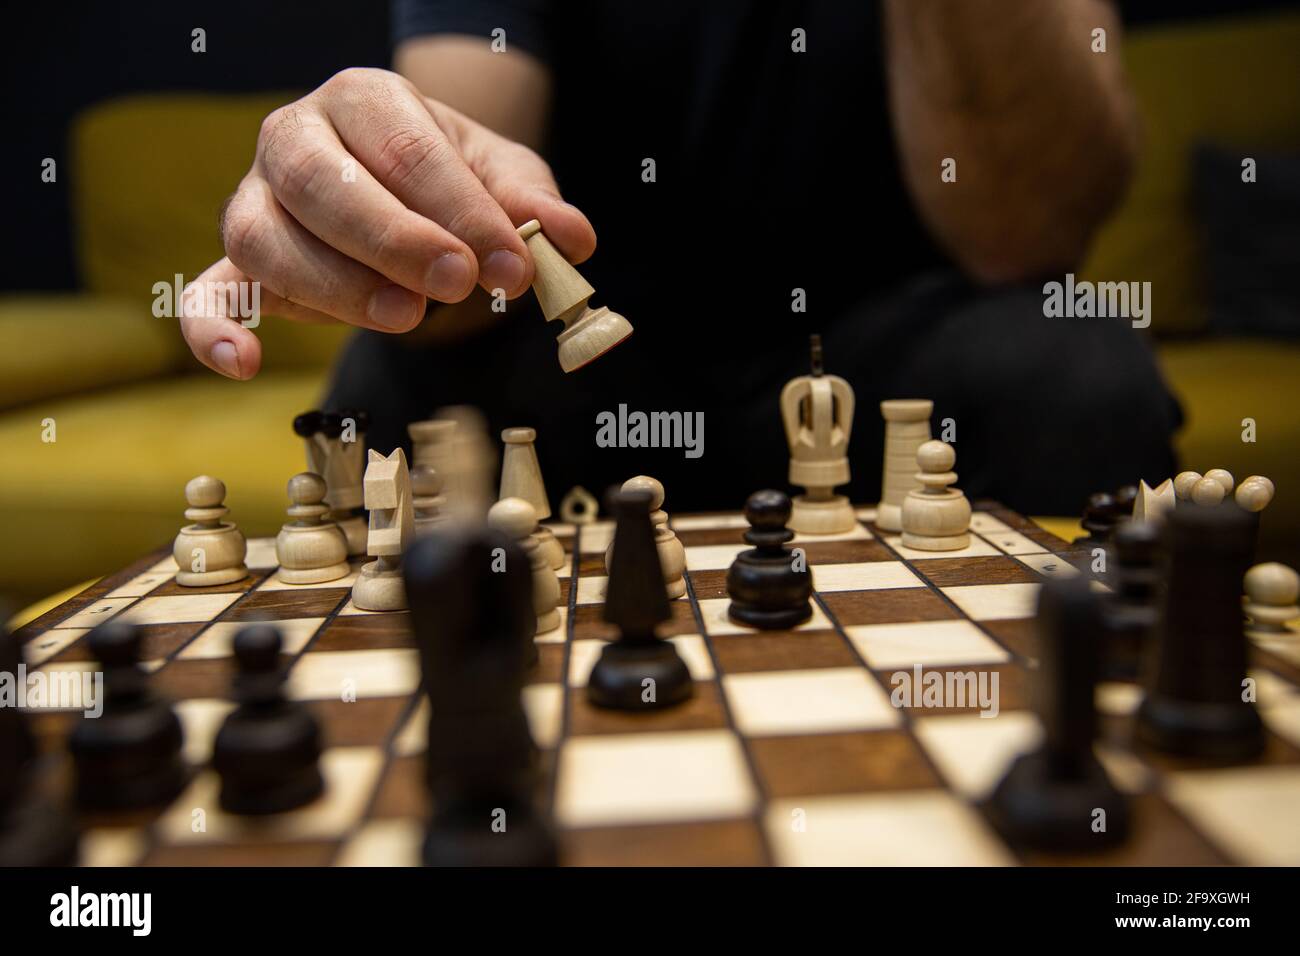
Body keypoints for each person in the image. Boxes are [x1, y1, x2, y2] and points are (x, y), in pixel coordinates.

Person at [179, 0, 1182, 515]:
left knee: (1075, 370)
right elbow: (454, 259)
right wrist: (376, 192)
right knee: (390, 385)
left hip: (893, 351)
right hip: (587, 379)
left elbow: (1025, 233)